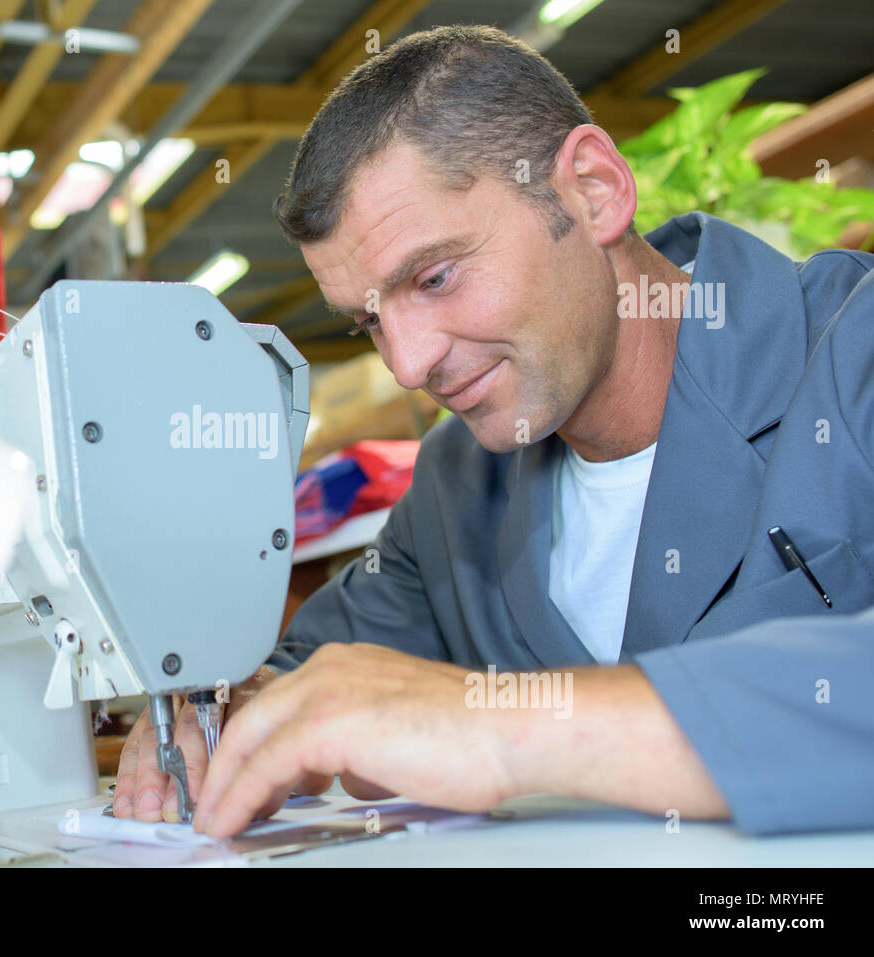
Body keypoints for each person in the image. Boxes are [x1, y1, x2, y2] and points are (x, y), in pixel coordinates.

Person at [114, 24, 874, 838]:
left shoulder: (852, 354)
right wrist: (223, 709)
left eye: (434, 277)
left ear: (593, 190)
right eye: (369, 320)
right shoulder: (452, 489)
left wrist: (507, 727)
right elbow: (311, 673)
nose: (407, 364)